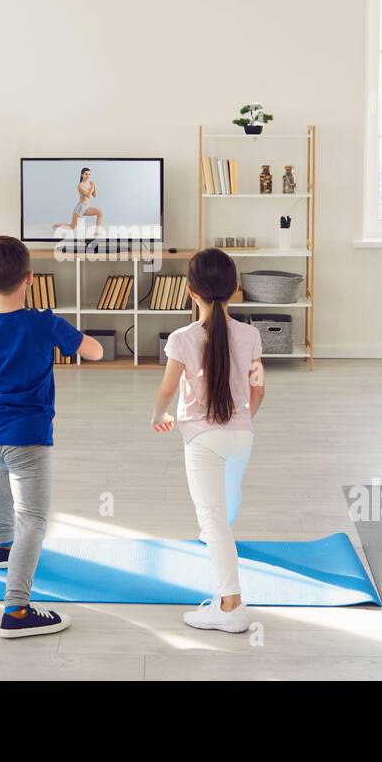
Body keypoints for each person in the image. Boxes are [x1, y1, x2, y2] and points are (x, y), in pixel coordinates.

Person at [0, 235, 104, 638]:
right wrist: (66, 337)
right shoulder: (44, 322)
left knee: (3, 470)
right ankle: (16, 611)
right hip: (29, 438)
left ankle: (3, 547)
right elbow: (96, 353)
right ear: (30, 279)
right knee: (34, 520)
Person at [150, 248, 265, 633]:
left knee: (213, 521)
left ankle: (230, 605)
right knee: (225, 503)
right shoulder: (250, 334)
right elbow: (257, 390)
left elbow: (168, 388)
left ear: (189, 291)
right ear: (235, 289)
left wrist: (158, 415)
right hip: (242, 436)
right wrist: (242, 420)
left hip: (203, 439)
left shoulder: (182, 338)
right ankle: (222, 543)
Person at [53, 167, 104, 234]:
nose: (88, 176)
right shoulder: (80, 185)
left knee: (100, 212)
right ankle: (56, 226)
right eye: (86, 174)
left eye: (89, 174)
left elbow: (95, 195)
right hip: (80, 208)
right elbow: (88, 195)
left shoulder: (89, 184)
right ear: (82, 175)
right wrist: (92, 186)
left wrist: (94, 186)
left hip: (87, 207)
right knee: (72, 227)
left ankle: (97, 231)